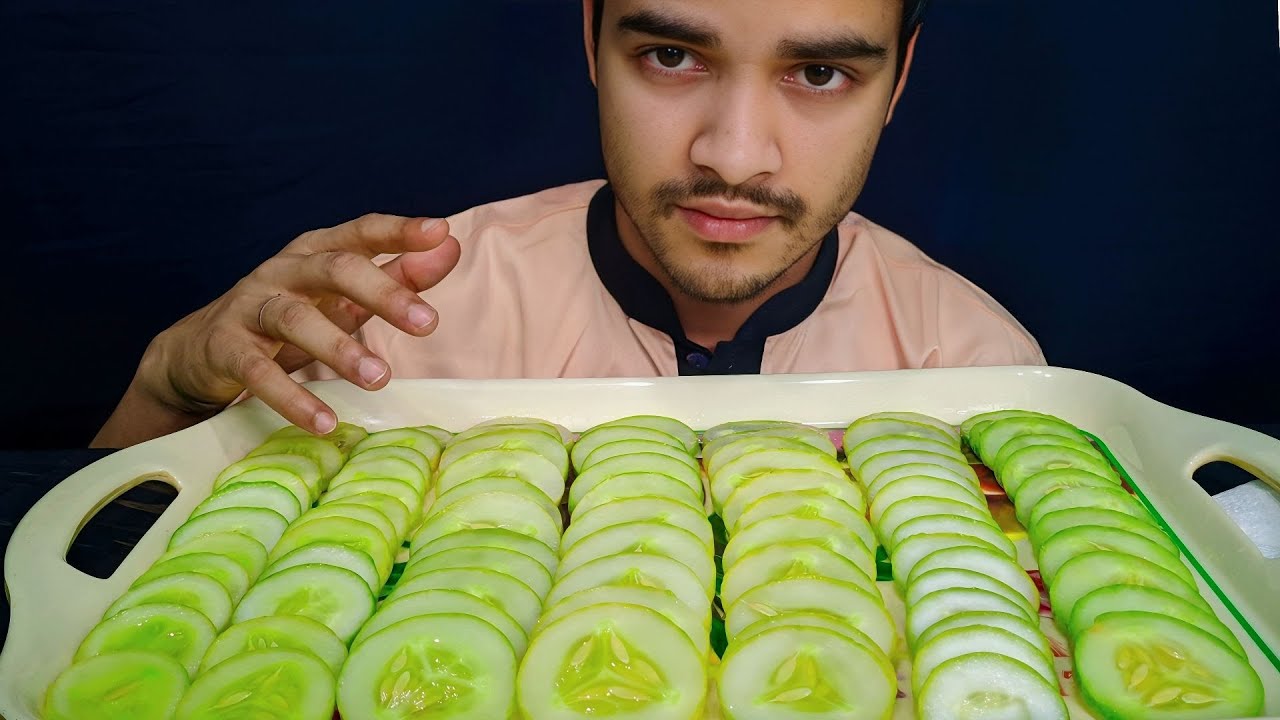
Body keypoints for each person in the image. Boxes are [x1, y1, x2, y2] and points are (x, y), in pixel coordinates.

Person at [93, 0, 1043, 449]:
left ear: (899, 81)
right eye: (672, 55)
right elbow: (103, 590)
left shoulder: (980, 372)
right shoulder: (398, 312)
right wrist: (168, 388)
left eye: (821, 73)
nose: (734, 154)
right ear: (592, 40)